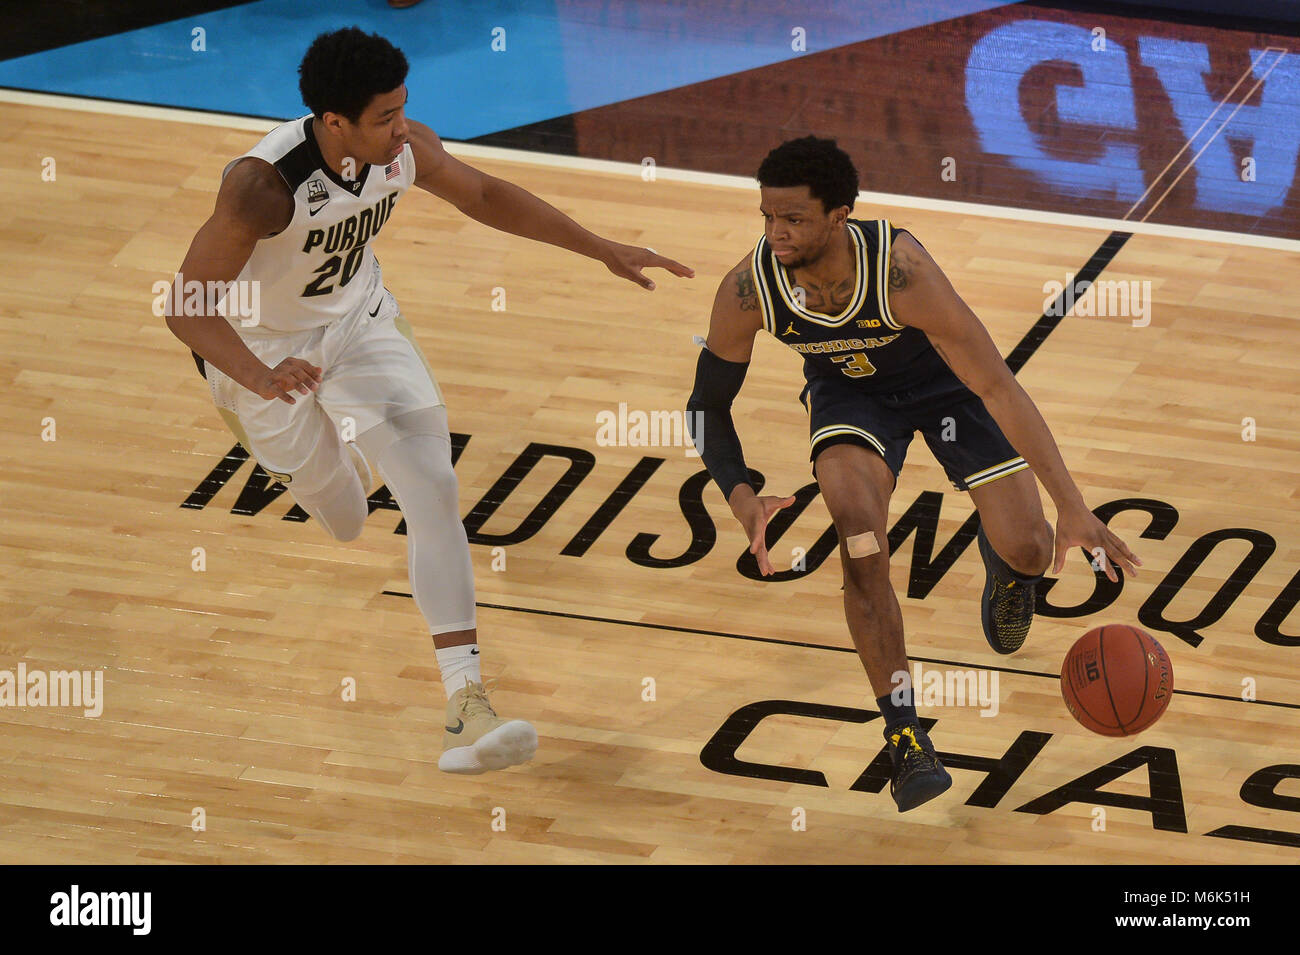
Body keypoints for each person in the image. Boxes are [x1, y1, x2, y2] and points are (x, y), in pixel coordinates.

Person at [163, 27, 692, 775]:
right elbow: (186, 306)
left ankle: (465, 701)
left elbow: (482, 194)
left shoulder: (403, 149)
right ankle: (331, 447)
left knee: (433, 486)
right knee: (346, 519)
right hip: (261, 355)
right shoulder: (263, 185)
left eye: (404, 108)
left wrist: (599, 245)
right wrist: (258, 375)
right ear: (333, 121)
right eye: (385, 116)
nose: (402, 126)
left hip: (359, 325)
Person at [687, 136, 1139, 812]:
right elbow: (705, 407)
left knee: (1031, 545)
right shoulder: (749, 287)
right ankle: (904, 734)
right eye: (767, 218)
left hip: (948, 389)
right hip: (852, 398)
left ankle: (1008, 563)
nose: (777, 234)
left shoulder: (900, 271)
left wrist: (1071, 504)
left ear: (840, 216)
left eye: (795, 220)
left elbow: (997, 386)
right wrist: (740, 491)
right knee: (859, 539)